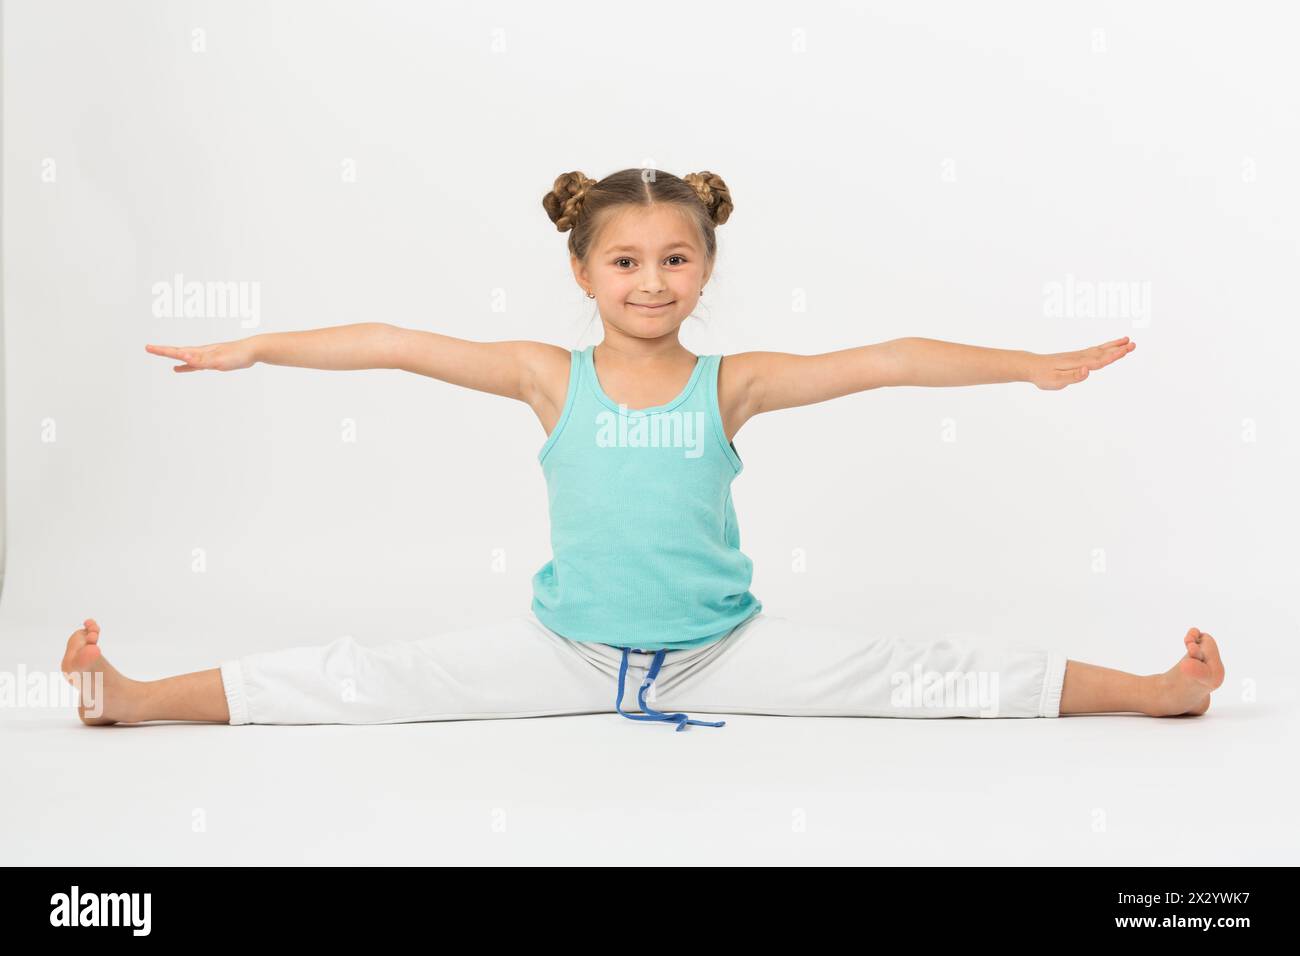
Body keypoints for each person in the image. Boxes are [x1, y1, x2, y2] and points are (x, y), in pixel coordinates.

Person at [63, 167, 1223, 730]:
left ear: (705, 270)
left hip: (721, 653)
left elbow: (886, 357)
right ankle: (132, 696)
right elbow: (394, 342)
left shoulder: (735, 384)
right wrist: (258, 345)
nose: (652, 281)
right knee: (371, 678)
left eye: (676, 259)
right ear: (582, 271)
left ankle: (1151, 690)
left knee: (917, 671)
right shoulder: (545, 374)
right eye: (625, 261)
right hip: (563, 649)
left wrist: (1023, 363)